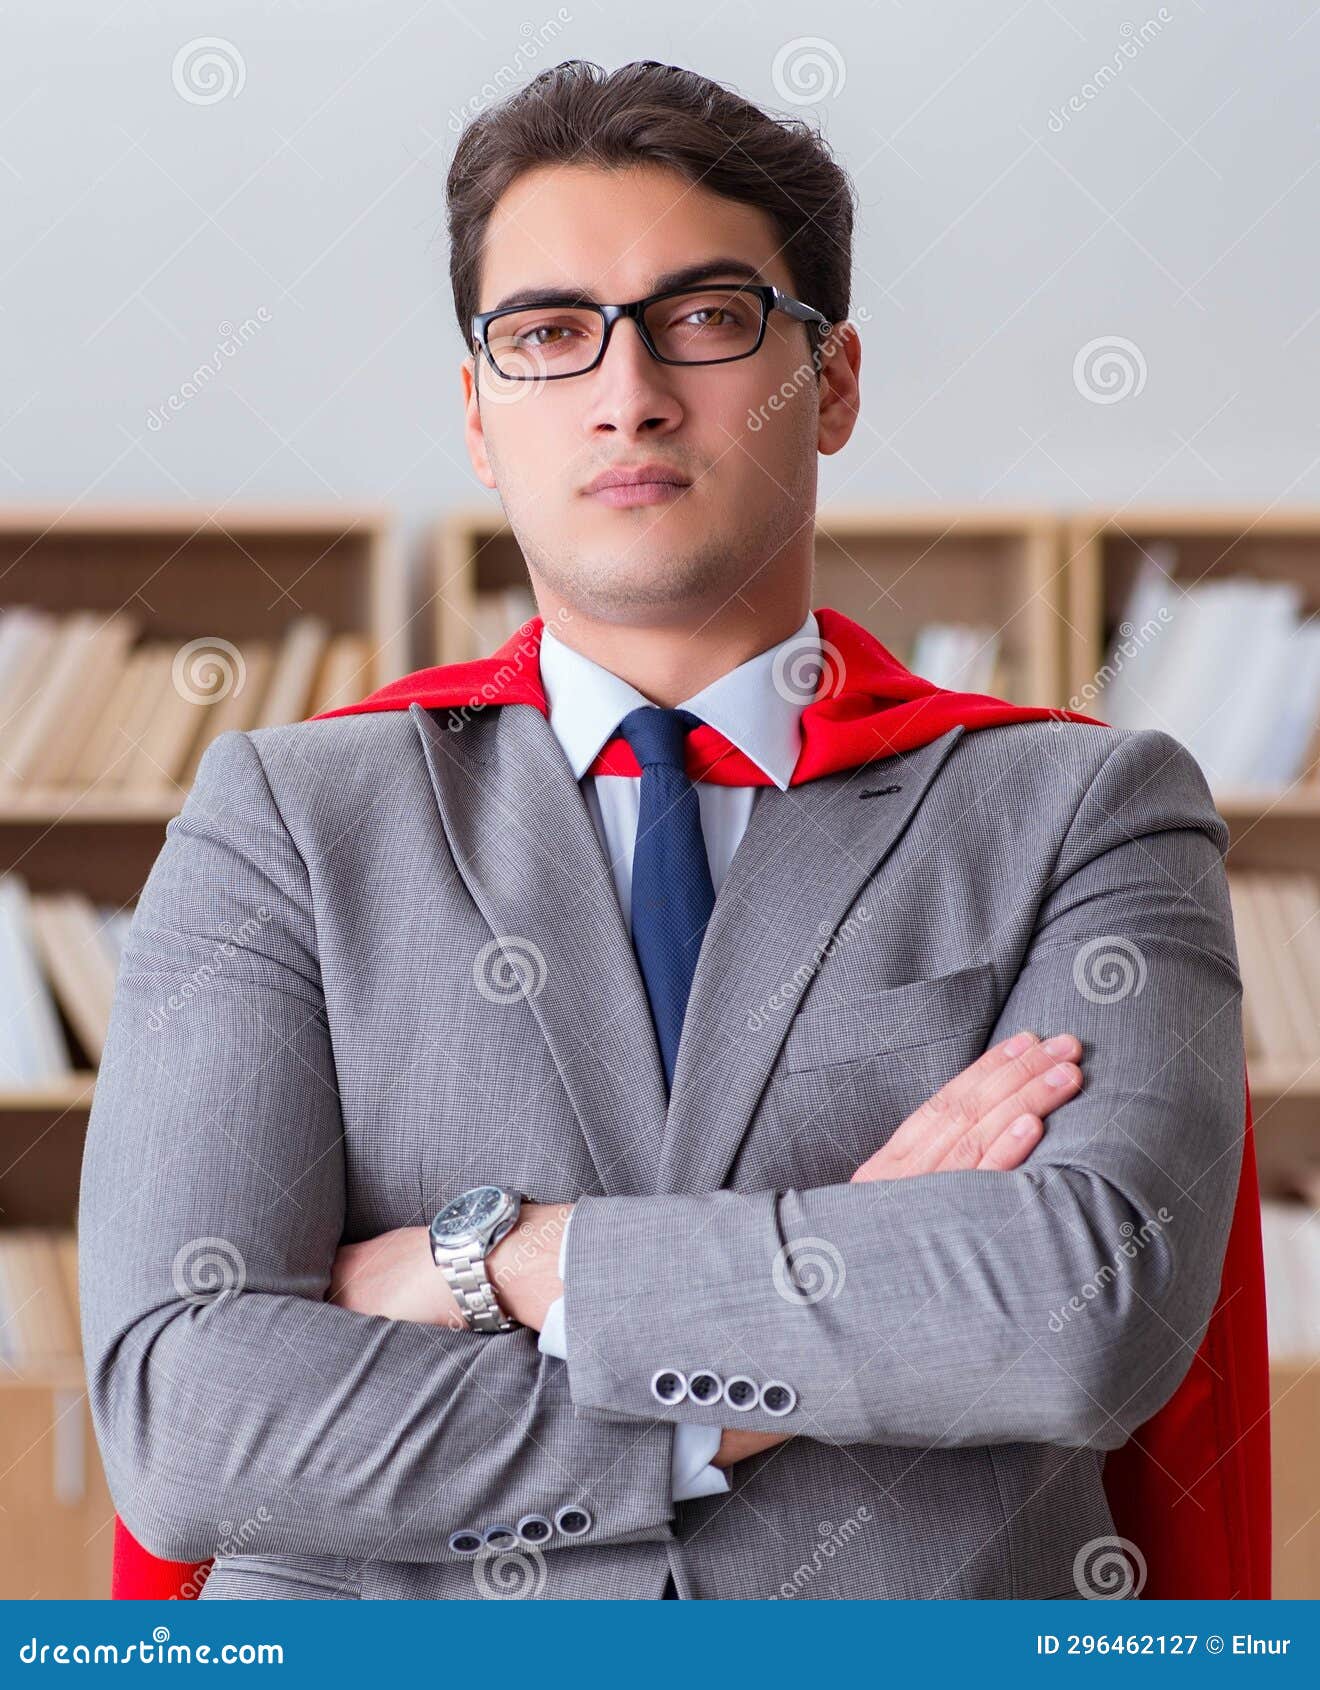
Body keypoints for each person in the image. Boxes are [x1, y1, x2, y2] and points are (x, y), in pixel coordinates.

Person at [80, 60, 1255, 1602]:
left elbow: (1084, 1308)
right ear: (482, 417)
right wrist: (800, 1329)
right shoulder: (288, 823)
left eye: (705, 318)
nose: (627, 391)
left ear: (828, 384)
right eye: (551, 334)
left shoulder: (1084, 811)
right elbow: (185, 1419)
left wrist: (494, 1261)